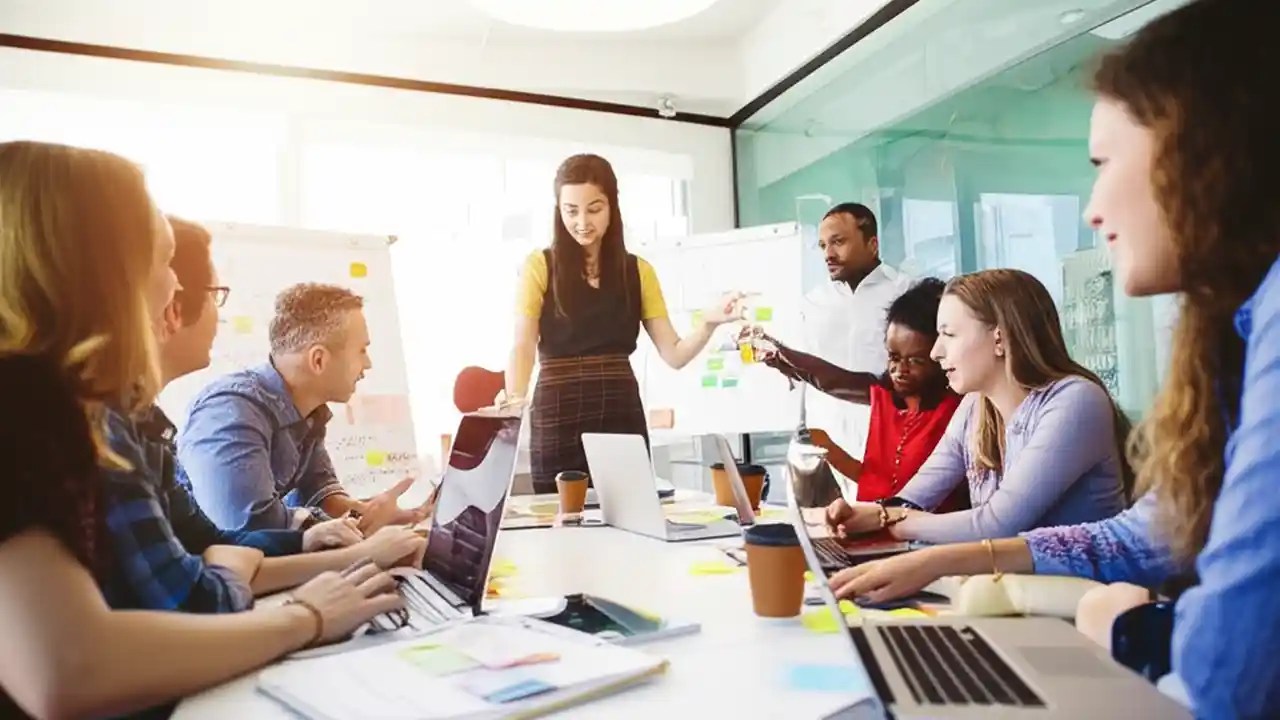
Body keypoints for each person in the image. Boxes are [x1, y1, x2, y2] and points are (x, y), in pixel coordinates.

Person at [824, 1, 1280, 714]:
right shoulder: (1232, 337)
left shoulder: (1077, 399)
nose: (1094, 207)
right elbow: (1148, 535)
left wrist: (1122, 621)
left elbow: (1223, 676)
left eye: (1103, 164)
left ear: (1203, 156)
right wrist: (919, 539)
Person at [0, 140, 401, 719]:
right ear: (99, 273)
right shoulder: (28, 413)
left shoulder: (52, 409)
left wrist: (323, 567)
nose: (174, 290)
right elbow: (70, 669)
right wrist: (305, 618)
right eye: (161, 260)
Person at [100, 216, 426, 613]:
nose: (369, 364)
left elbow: (216, 543)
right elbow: (219, 558)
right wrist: (313, 611)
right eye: (215, 293)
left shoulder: (146, 426)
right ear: (172, 309)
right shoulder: (227, 414)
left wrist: (353, 523)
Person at [825, 269, 1130, 545]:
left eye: (949, 334)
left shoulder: (1075, 401)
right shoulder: (975, 406)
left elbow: (997, 525)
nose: (935, 352)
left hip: (1083, 596)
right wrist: (865, 514)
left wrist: (891, 521)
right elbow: (915, 498)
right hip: (1013, 592)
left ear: (1000, 337)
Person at [501, 153, 743, 493]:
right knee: (558, 517)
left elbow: (674, 354)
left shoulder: (638, 271)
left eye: (594, 208)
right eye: (571, 211)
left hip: (620, 407)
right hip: (557, 407)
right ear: (558, 210)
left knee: (630, 512)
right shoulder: (539, 265)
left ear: (612, 206)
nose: (582, 221)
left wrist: (708, 323)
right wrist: (513, 403)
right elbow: (523, 345)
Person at [178, 282, 426, 532]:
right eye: (361, 351)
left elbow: (319, 491)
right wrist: (356, 531)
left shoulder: (308, 413)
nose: (368, 364)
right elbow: (252, 528)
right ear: (318, 360)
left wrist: (367, 514)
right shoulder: (229, 413)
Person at [751, 278, 967, 511]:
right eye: (893, 357)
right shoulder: (887, 396)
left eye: (915, 360)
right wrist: (782, 357)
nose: (900, 370)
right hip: (874, 529)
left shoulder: (960, 409)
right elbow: (831, 379)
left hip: (929, 538)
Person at [793, 203, 913, 488]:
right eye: (823, 245)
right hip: (825, 449)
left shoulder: (905, 293)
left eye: (838, 242)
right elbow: (802, 378)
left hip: (888, 442)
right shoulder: (812, 303)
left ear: (872, 244)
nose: (828, 254)